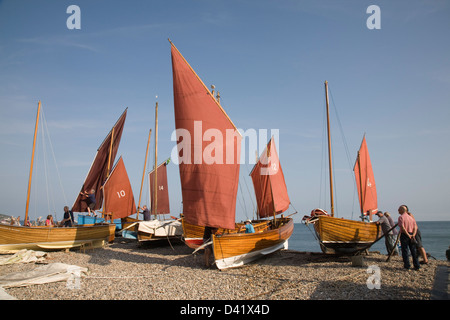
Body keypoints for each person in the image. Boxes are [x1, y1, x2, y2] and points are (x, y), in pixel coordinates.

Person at [397, 205, 420, 270]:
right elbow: (415, 227)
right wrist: (413, 234)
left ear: (402, 210)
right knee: (413, 250)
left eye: (399, 209)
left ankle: (407, 266)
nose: (398, 210)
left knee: (405, 250)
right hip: (412, 234)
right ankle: (417, 265)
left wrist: (408, 235)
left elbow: (402, 227)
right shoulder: (411, 218)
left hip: (405, 235)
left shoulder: (401, 217)